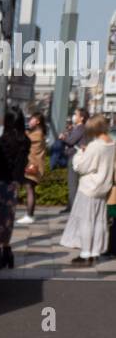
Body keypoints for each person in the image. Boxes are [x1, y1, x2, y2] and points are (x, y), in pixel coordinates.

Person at [59, 114, 116, 267]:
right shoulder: (112, 143)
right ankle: (95, 252)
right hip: (104, 187)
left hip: (88, 188)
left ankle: (85, 254)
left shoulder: (95, 145)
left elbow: (81, 167)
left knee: (86, 221)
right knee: (99, 221)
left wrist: (80, 153)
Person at [0, 108, 29, 269]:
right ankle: (7, 251)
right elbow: (21, 165)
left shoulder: (1, 141)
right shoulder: (24, 141)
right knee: (7, 220)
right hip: (13, 186)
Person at [15, 109, 47, 226]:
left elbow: (23, 140)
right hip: (33, 165)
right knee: (29, 188)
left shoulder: (37, 134)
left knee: (29, 188)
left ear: (38, 121)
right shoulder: (37, 132)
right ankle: (29, 215)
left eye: (32, 119)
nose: (30, 121)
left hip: (32, 166)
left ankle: (29, 215)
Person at [61, 106, 88, 211]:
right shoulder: (77, 128)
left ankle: (73, 207)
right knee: (72, 183)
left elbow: (71, 141)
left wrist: (64, 137)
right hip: (74, 157)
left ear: (81, 118)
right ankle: (70, 206)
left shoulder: (80, 128)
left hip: (75, 158)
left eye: (75, 114)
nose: (73, 116)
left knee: (73, 183)